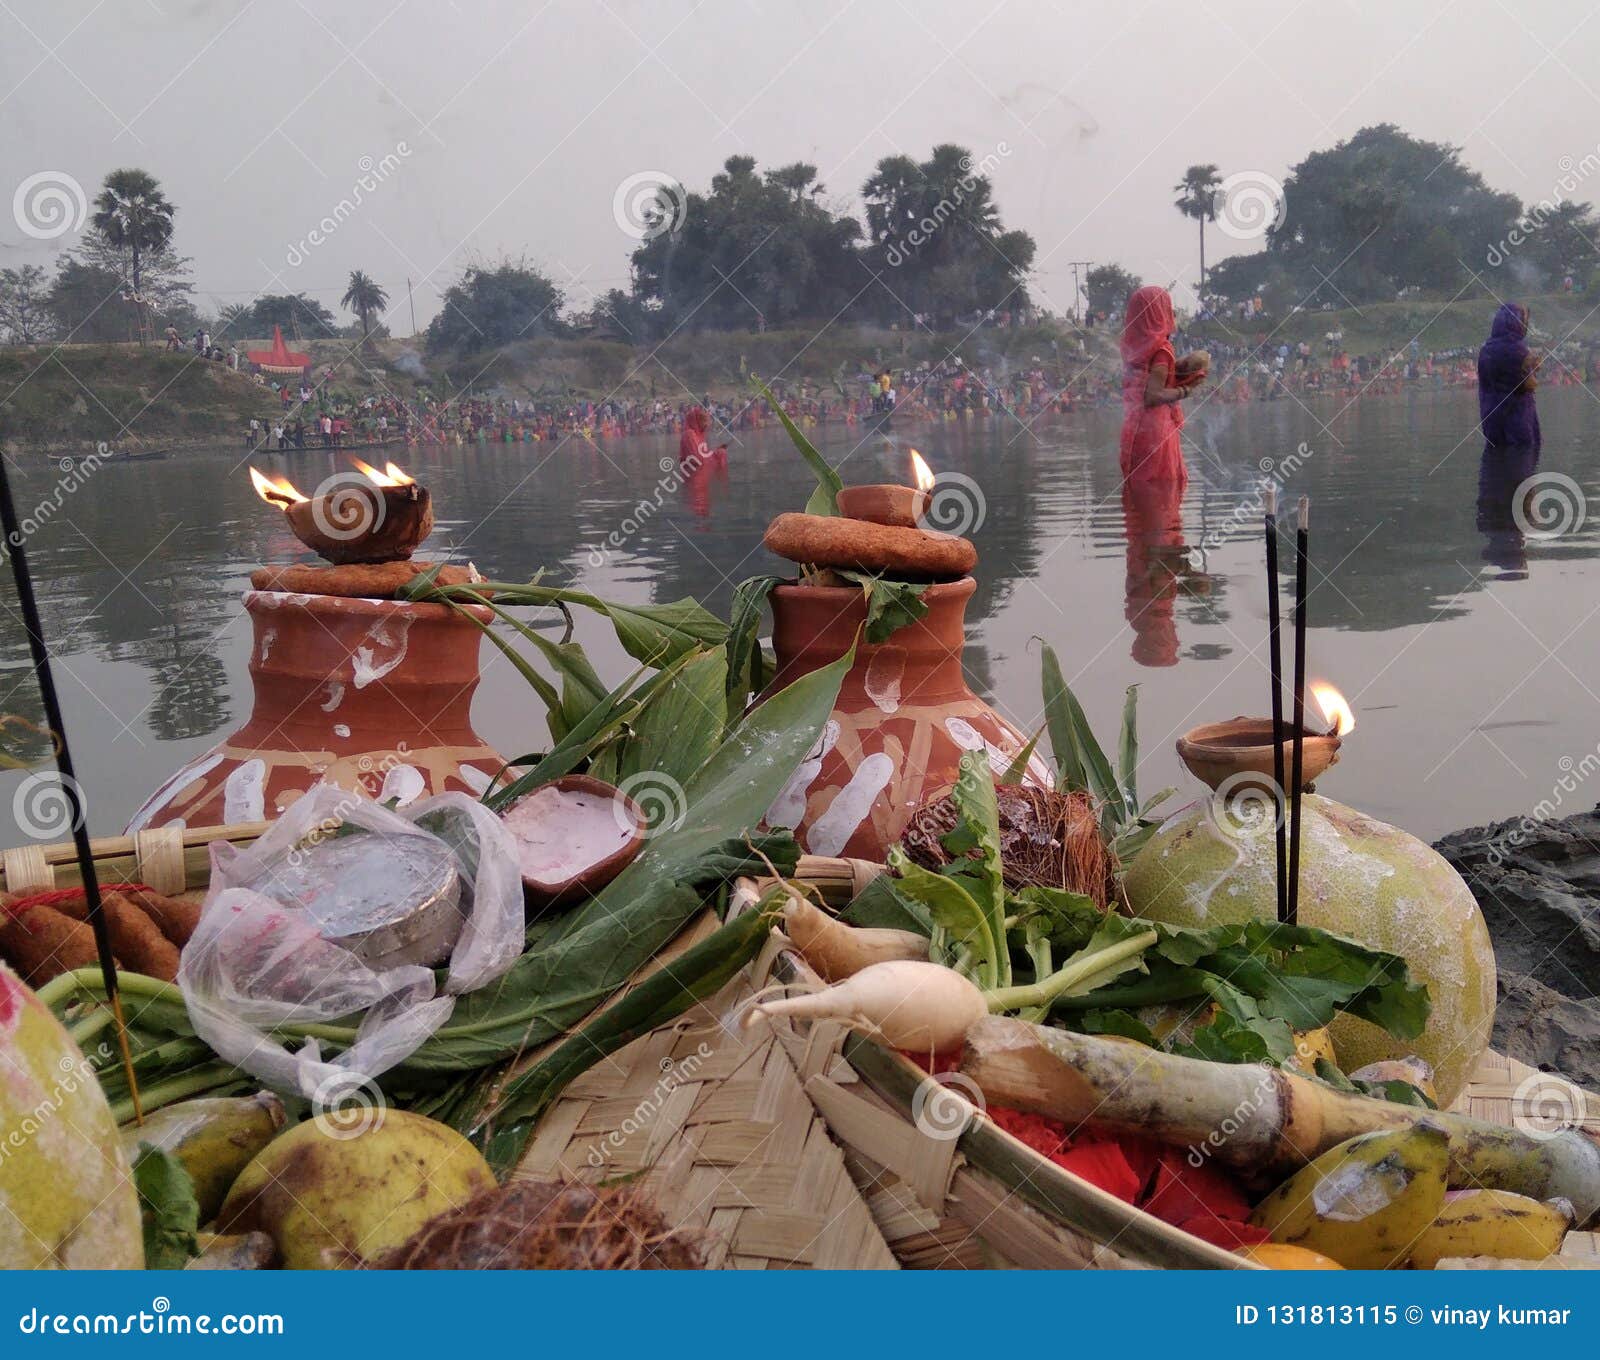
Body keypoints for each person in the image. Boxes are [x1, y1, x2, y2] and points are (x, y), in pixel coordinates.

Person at [1118, 285, 1193, 484]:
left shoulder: (1134, 350)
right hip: (1157, 432)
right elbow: (1152, 395)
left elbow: (1148, 383)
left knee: (1140, 493)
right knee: (1163, 493)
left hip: (1135, 428)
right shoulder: (1161, 349)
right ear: (1158, 312)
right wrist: (1184, 390)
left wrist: (1177, 372)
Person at [1478, 302, 1541, 452]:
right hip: (1517, 422)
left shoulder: (1486, 350)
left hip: (1492, 420)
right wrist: (1531, 367)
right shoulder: (1518, 350)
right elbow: (1530, 385)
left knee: (1494, 466)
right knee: (1521, 466)